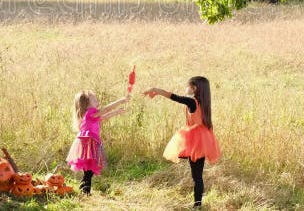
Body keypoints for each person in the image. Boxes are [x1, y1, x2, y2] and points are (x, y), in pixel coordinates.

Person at [144, 76, 220, 207]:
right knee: (198, 176)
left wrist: (157, 90)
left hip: (195, 140)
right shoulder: (204, 102)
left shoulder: (192, 102)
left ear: (195, 88)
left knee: (196, 175)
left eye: (188, 86)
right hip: (204, 140)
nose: (187, 88)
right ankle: (198, 204)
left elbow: (175, 97)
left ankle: (197, 205)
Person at [66, 91, 129, 194]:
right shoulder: (90, 112)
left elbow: (103, 116)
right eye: (94, 100)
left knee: (88, 169)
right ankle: (85, 190)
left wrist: (116, 112)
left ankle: (85, 190)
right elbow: (105, 110)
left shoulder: (90, 114)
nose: (97, 101)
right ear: (86, 103)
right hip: (89, 142)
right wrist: (119, 101)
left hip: (87, 142)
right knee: (89, 169)